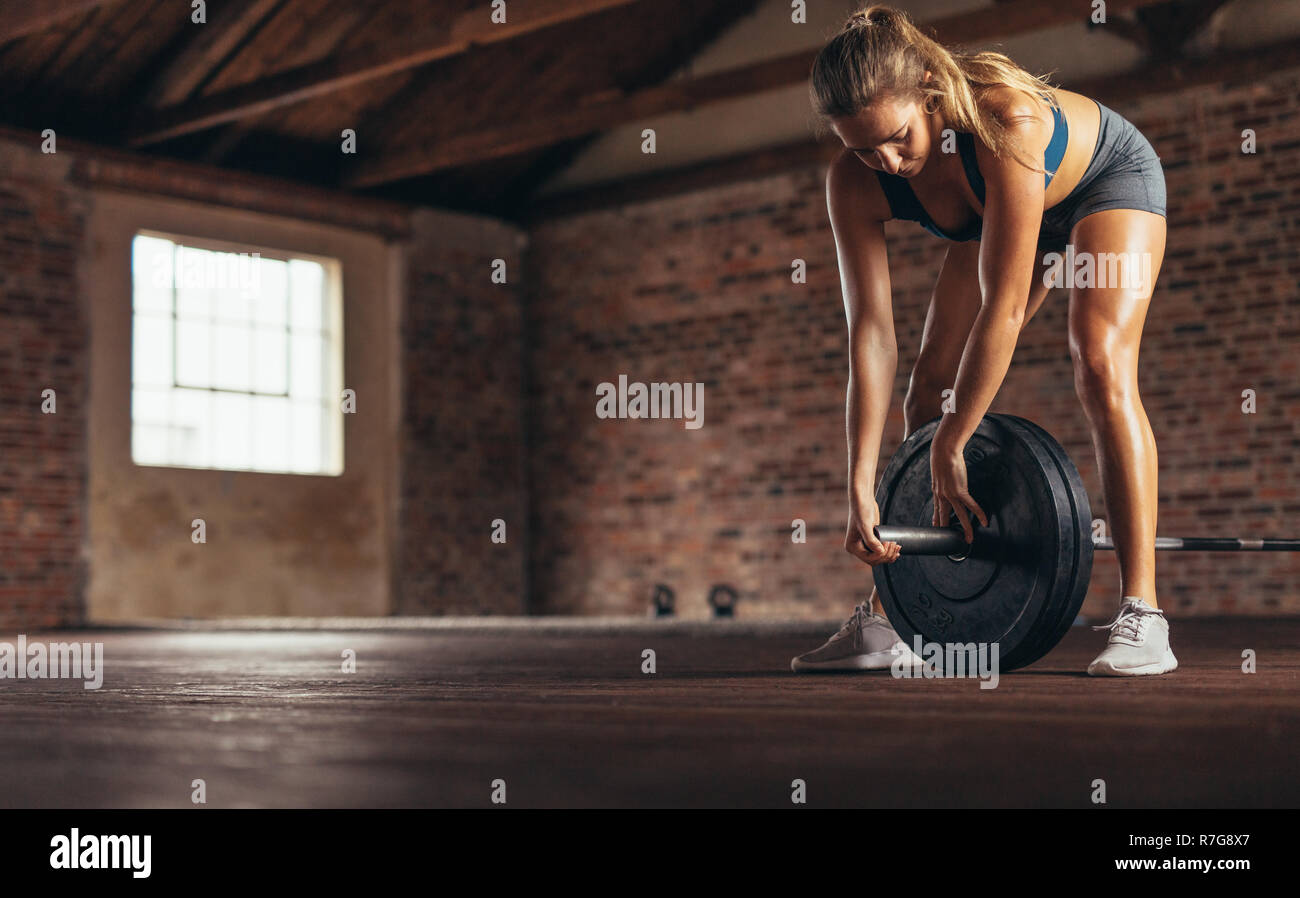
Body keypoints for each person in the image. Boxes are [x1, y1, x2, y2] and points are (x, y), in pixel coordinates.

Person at [790, 5, 1176, 676]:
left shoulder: (1004, 119)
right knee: (927, 394)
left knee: (1099, 360)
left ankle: (1144, 615)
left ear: (929, 97)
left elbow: (1004, 307)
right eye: (861, 147)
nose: (886, 160)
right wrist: (859, 483)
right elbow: (871, 336)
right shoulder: (851, 183)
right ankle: (893, 618)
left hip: (1101, 184)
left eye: (898, 136)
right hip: (995, 216)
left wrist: (954, 440)